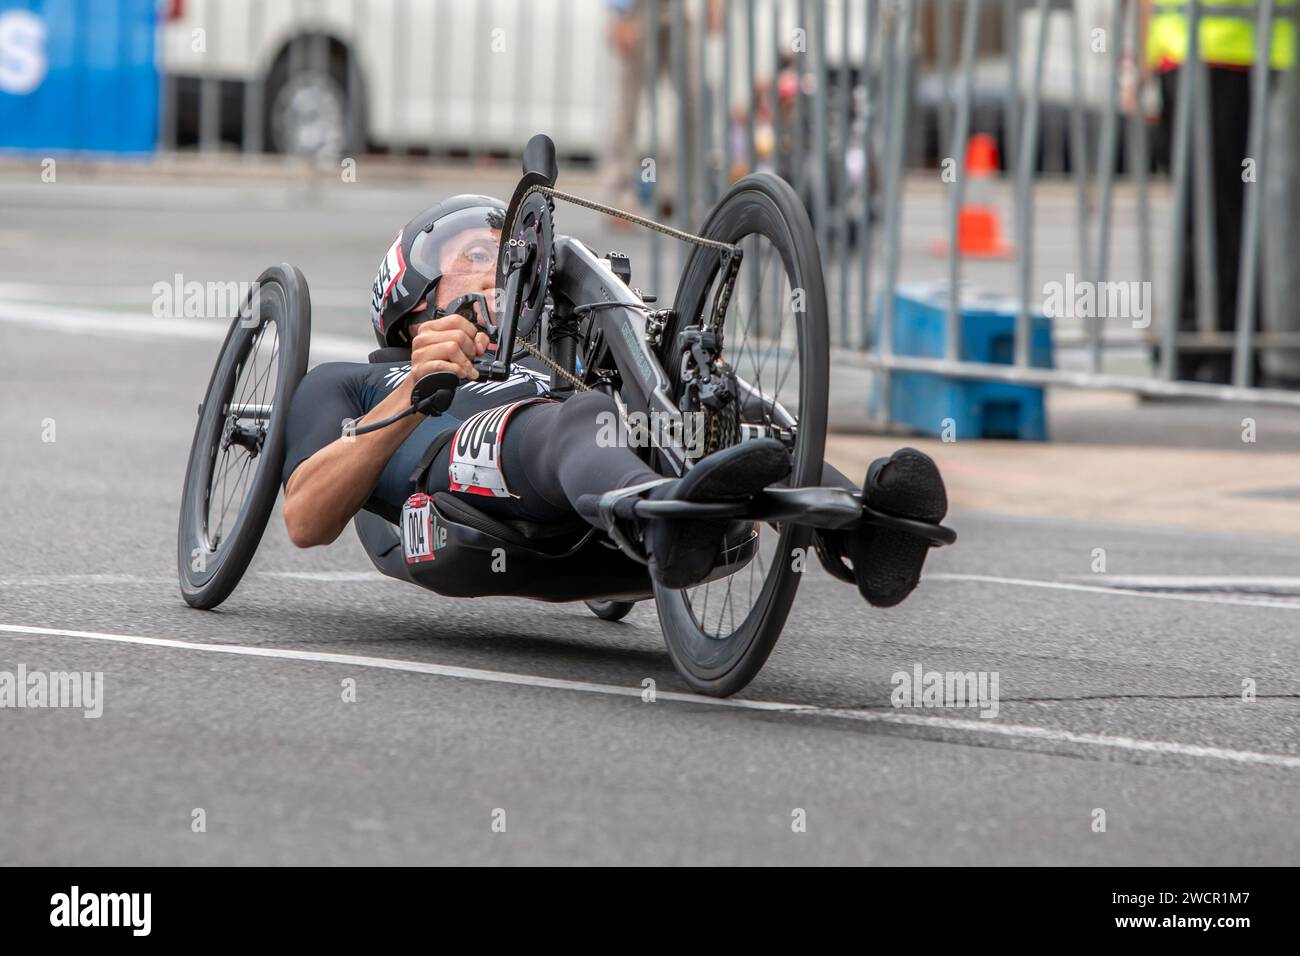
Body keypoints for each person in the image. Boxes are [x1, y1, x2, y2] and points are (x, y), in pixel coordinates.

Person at [281, 195, 948, 604]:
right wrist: (411, 398)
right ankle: (656, 515)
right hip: (457, 477)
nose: (502, 269)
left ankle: (867, 528)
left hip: (585, 477)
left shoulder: (550, 355)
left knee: (715, 429)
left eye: (508, 255)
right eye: (478, 255)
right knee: (584, 421)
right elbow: (306, 521)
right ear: (412, 293)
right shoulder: (351, 384)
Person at [1140, 0, 1296, 383]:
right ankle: (1207, 345)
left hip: (1240, 50)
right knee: (1218, 211)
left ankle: (1221, 346)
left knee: (1230, 210)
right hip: (1209, 48)